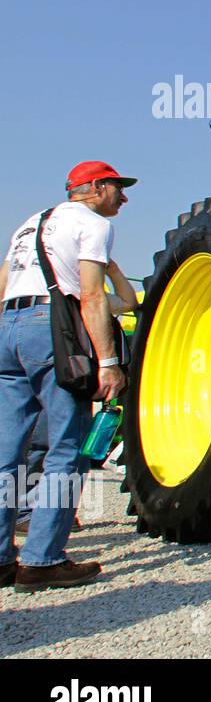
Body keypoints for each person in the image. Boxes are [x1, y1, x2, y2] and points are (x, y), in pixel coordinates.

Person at [0, 161, 134, 592]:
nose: (123, 198)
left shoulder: (30, 223)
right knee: (67, 449)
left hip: (10, 326)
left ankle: (3, 559)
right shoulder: (91, 223)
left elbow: (3, 283)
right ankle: (42, 560)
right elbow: (93, 296)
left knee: (7, 454)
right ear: (95, 188)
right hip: (51, 330)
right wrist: (109, 363)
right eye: (117, 188)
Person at [14, 261, 136, 534]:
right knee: (41, 442)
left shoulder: (91, 297)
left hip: (74, 375)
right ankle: (25, 511)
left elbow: (128, 301)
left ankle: (44, 512)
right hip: (56, 370)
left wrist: (113, 270)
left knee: (60, 445)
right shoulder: (66, 300)